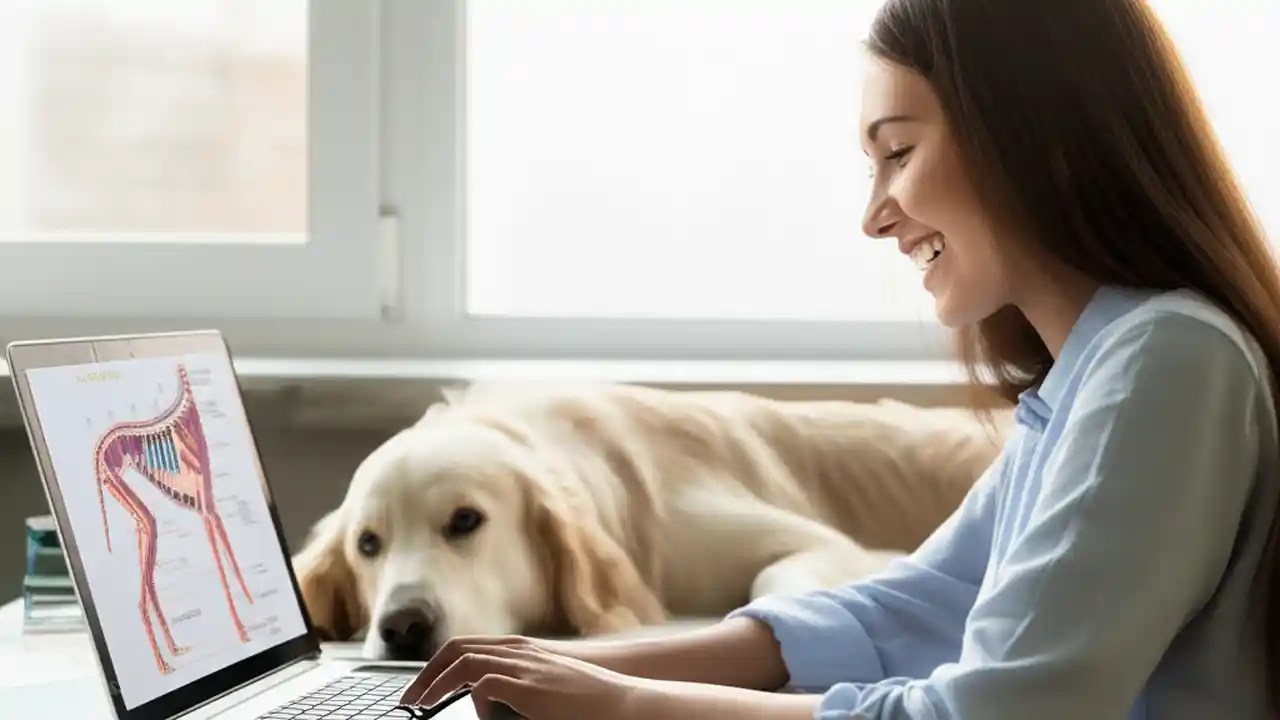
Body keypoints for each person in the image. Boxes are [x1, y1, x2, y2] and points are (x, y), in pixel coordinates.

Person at [397, 0, 1280, 717]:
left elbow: (1000, 714)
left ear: (1034, 132)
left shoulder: (1166, 362)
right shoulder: (1097, 372)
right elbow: (914, 605)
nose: (876, 215)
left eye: (897, 152)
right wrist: (566, 668)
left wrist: (633, 704)